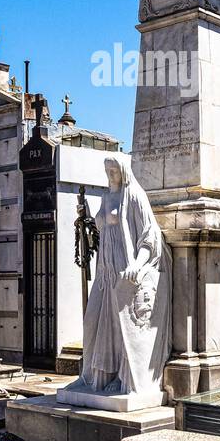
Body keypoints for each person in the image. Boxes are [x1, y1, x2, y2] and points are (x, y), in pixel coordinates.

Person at [69, 156, 170, 398]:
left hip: (125, 269)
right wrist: (87, 218)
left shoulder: (133, 195)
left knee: (122, 326)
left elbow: (150, 235)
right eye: (107, 170)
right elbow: (100, 229)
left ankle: (121, 377)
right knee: (93, 321)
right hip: (106, 270)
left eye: (114, 169)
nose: (111, 174)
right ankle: (92, 376)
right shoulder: (106, 197)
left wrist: (138, 264)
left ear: (123, 170)